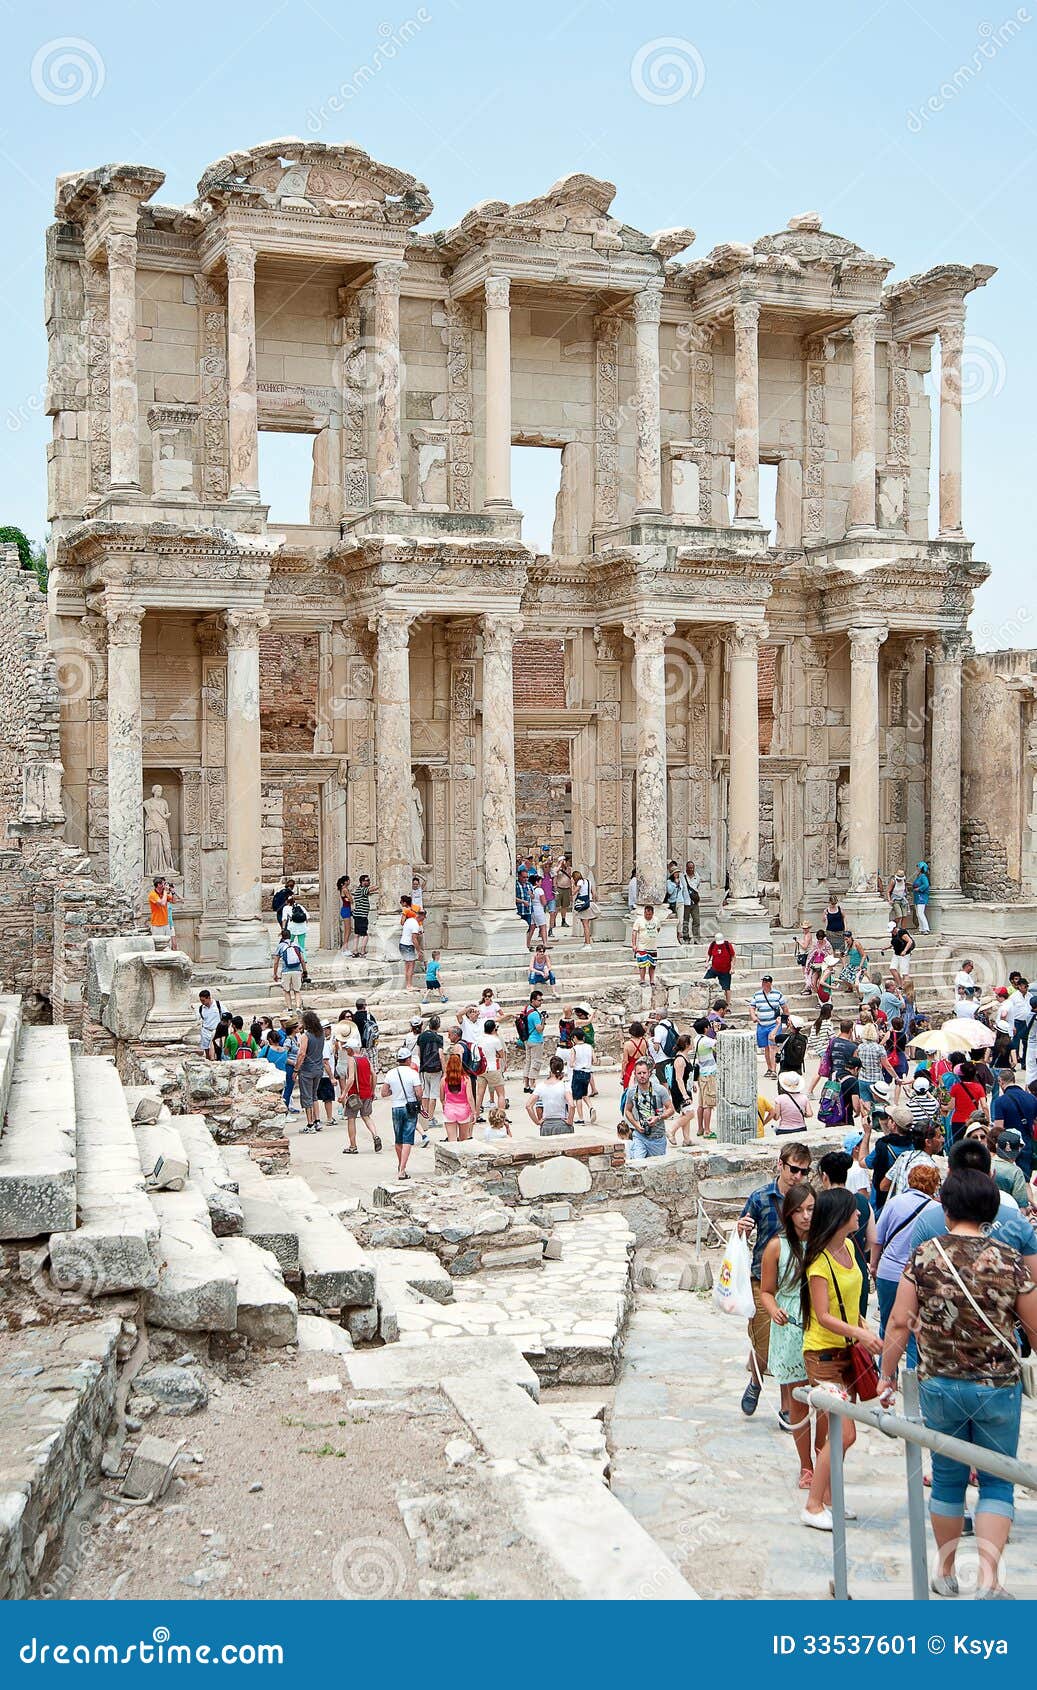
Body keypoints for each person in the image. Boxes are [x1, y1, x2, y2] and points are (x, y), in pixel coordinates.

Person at [881, 1169, 1037, 1598]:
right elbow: (1034, 1328)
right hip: (997, 1387)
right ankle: (988, 1578)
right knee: (997, 1481)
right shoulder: (1009, 1260)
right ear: (991, 1211)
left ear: (946, 1209)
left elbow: (899, 1322)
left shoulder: (924, 1256)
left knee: (948, 1479)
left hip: (939, 1385)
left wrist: (885, 1376)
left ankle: (946, 1571)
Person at [799, 1188, 883, 1531]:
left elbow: (847, 1301)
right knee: (843, 1433)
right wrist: (860, 1334)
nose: (859, 1214)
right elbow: (822, 1315)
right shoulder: (818, 1263)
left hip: (847, 1351)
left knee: (841, 1433)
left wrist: (863, 1329)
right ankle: (813, 1504)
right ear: (839, 1217)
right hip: (823, 1356)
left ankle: (830, 1498)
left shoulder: (849, 1247)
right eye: (853, 1210)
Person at [736, 1142, 813, 1415]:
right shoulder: (760, 1198)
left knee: (789, 1345)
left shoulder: (807, 1202)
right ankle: (756, 1382)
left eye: (804, 1171)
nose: (798, 1176)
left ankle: (786, 1408)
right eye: (794, 1169)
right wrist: (742, 1229)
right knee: (766, 1340)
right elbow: (741, 1233)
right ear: (780, 1165)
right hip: (762, 1280)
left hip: (794, 1283)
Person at [759, 1182, 817, 1487]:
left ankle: (823, 1459)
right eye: (799, 1210)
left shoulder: (823, 1243)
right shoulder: (776, 1247)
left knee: (824, 1399)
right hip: (790, 1324)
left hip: (818, 1322)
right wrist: (773, 1310)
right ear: (789, 1213)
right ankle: (806, 1465)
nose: (806, 1216)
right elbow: (767, 1290)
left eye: (811, 1209)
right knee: (798, 1399)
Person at [872, 1163, 941, 1347]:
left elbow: (878, 1239)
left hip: (889, 1271)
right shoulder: (936, 1210)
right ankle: (911, 1365)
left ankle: (885, 1364)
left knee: (886, 1326)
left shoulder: (894, 1202)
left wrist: (874, 1265)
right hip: (918, 1277)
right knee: (914, 1332)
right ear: (934, 1184)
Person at [380, 1049, 422, 1179]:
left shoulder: (391, 1073)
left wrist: (394, 1092)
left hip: (396, 1107)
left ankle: (400, 1165)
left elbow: (384, 1093)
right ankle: (402, 1170)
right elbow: (419, 1093)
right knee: (407, 1138)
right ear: (408, 1059)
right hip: (410, 1107)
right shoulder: (413, 1074)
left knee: (398, 1139)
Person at [623, 1058, 673, 1160]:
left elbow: (671, 1109)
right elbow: (627, 1110)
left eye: (644, 1073)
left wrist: (658, 1118)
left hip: (657, 1138)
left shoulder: (660, 1090)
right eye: (639, 1073)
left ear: (649, 1073)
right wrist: (636, 1124)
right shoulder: (632, 1091)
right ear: (635, 1074)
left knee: (657, 1166)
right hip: (639, 1136)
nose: (642, 1075)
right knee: (638, 1163)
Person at [993, 1070, 1037, 1179]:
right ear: (1014, 1080)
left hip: (1008, 1145)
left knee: (1008, 1179)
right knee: (1025, 1179)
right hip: (1026, 1142)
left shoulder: (1000, 1101)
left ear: (1001, 1081)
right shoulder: (1031, 1098)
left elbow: (998, 1128)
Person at [341, 1043, 381, 1156]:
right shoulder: (366, 1059)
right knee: (366, 1116)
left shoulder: (352, 1060)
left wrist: (343, 1094)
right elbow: (374, 1075)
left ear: (350, 1049)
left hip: (355, 1095)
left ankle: (353, 1146)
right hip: (366, 1093)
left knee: (351, 1118)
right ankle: (375, 1135)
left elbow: (351, 1079)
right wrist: (372, 1090)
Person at [294, 1009, 327, 1135]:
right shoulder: (321, 1035)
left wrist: (296, 1069)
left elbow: (302, 1053)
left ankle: (310, 1124)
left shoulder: (305, 1036)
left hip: (307, 1070)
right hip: (318, 1068)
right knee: (314, 1096)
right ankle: (317, 1120)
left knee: (307, 1096)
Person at [527, 1055, 575, 1136]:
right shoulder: (565, 1085)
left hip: (546, 1125)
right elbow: (572, 1105)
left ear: (550, 1069)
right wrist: (570, 1120)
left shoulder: (540, 1086)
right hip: (562, 1123)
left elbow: (528, 1106)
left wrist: (537, 1122)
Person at [749, 974, 787, 1077]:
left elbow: (784, 1008)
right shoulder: (757, 994)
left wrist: (785, 1021)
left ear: (770, 983)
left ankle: (774, 1070)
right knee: (766, 1047)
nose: (763, 983)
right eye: (763, 982)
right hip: (762, 1025)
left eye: (765, 982)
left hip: (774, 1025)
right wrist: (753, 1016)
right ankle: (769, 1068)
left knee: (772, 1046)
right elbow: (752, 1007)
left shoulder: (777, 994)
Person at [440, 1047, 476, 1142]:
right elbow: (470, 1097)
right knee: (463, 1140)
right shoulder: (466, 1079)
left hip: (449, 1110)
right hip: (464, 1110)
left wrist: (444, 1106)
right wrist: (474, 1112)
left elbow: (442, 1098)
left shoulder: (444, 1080)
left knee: (452, 1140)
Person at [416, 1013, 444, 1132]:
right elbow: (441, 1055)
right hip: (436, 1069)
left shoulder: (421, 1037)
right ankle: (431, 1118)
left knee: (425, 1094)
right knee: (433, 1094)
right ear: (438, 1026)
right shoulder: (439, 1038)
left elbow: (418, 1053)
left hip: (424, 1068)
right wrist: (444, 1070)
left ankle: (425, 1117)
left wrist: (422, 1064)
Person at [949, 1060, 989, 1141]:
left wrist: (942, 1106)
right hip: (973, 1120)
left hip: (957, 1121)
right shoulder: (979, 1087)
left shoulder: (955, 1088)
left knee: (959, 1145)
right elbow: (984, 1106)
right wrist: (988, 1120)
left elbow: (951, 1106)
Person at [475, 1017, 507, 1119]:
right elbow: (501, 1055)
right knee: (501, 1094)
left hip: (481, 1068)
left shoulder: (478, 1039)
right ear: (493, 1029)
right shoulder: (495, 1040)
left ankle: (476, 1114)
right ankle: (501, 1115)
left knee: (480, 1094)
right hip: (493, 1067)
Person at [692, 1018, 718, 1138]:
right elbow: (719, 1044)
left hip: (701, 1073)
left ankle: (700, 1128)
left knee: (701, 1104)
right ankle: (707, 1130)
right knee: (709, 1104)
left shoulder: (696, 1039)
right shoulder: (707, 1041)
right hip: (709, 1074)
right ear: (705, 1028)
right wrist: (716, 1032)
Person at [992, 1129, 1031, 1207]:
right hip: (1007, 1213)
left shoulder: (985, 1163)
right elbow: (1021, 1207)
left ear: (997, 1145)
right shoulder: (1016, 1172)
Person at [518, 991, 547, 1092]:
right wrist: (543, 1019)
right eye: (539, 1000)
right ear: (533, 1000)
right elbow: (539, 1029)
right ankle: (532, 1085)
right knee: (536, 1062)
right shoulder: (534, 1014)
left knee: (528, 1062)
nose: (541, 1002)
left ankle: (526, 1085)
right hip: (536, 1040)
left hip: (527, 1039)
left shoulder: (527, 1009)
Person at [630, 904, 662, 986]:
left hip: (653, 946)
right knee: (642, 964)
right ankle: (642, 979)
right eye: (646, 914)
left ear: (652, 913)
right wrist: (634, 945)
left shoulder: (656, 920)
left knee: (652, 964)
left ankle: (652, 980)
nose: (648, 916)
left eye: (649, 914)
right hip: (642, 946)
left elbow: (658, 929)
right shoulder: (639, 920)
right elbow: (634, 933)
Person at [273, 928, 304, 1010]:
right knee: (297, 990)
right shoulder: (296, 944)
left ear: (282, 937)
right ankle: (298, 1007)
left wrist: (275, 974)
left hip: (286, 971)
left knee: (287, 991)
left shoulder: (280, 946)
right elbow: (302, 959)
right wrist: (304, 971)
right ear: (290, 936)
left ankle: (290, 1008)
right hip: (297, 970)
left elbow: (276, 962)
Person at [570, 1026, 596, 1124]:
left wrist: (573, 1064)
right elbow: (595, 1060)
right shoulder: (589, 1047)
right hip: (587, 1073)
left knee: (578, 1097)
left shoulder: (574, 1049)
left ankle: (581, 1118)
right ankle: (591, 1107)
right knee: (584, 1093)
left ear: (575, 1038)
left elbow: (571, 1063)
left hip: (578, 1072)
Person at [774, 1070, 813, 1134]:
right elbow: (809, 1114)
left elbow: (776, 1117)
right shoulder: (804, 1097)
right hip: (801, 1128)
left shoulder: (779, 1099)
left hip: (784, 1129)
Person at [702, 932, 735, 1005]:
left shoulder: (727, 945)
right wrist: (707, 962)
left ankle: (727, 1004)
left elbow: (733, 957)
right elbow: (709, 954)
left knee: (726, 988)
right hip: (714, 968)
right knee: (704, 981)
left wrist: (732, 968)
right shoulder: (713, 944)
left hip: (725, 970)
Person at [147, 876, 178, 950]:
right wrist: (165, 892)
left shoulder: (163, 894)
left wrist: (173, 892)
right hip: (157, 925)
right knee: (159, 947)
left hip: (166, 923)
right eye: (164, 884)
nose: (165, 886)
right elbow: (163, 903)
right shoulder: (152, 895)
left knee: (168, 946)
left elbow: (174, 901)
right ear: (159, 885)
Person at [675, 860, 702, 944]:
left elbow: (697, 886)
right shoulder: (682, 876)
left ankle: (696, 938)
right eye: (689, 868)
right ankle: (686, 938)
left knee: (696, 920)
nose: (691, 869)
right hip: (685, 902)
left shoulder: (697, 877)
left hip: (694, 902)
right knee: (685, 921)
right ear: (686, 868)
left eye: (692, 868)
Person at [350, 874, 374, 956]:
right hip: (362, 915)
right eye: (367, 880)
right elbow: (371, 889)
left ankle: (355, 951)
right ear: (362, 882)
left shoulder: (358, 889)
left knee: (357, 934)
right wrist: (379, 886)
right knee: (365, 934)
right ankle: (362, 951)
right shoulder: (363, 889)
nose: (369, 882)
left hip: (357, 915)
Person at [197, 990, 224, 1060]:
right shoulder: (201, 1008)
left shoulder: (218, 1005)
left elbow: (227, 1015)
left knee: (217, 1050)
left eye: (203, 1000)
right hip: (205, 1031)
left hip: (216, 1031)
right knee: (207, 1051)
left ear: (208, 998)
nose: (202, 1002)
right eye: (201, 1000)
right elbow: (198, 1019)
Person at [573, 869, 596, 946]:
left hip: (584, 905)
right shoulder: (588, 881)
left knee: (585, 925)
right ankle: (586, 941)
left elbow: (573, 892)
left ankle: (588, 943)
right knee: (587, 924)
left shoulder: (580, 882)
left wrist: (572, 885)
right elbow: (594, 893)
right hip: (589, 903)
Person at [911, 861, 931, 933]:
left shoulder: (923, 876)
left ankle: (926, 928)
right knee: (918, 914)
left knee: (920, 913)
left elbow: (926, 885)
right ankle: (921, 928)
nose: (917, 869)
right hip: (917, 897)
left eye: (918, 867)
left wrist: (919, 889)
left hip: (922, 897)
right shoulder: (919, 876)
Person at [553, 859, 573, 928]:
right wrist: (560, 865)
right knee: (556, 906)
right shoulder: (557, 869)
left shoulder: (569, 869)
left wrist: (571, 891)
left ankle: (563, 921)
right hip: (559, 888)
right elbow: (555, 873)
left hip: (567, 889)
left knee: (564, 906)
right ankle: (553, 921)